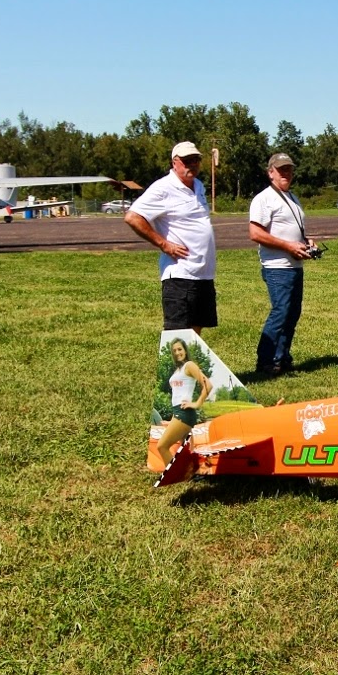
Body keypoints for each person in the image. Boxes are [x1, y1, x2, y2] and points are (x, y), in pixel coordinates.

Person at [124, 141, 217, 334]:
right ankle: (177, 366)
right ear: (175, 162)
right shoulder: (163, 188)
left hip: (203, 272)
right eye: (187, 161)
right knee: (177, 333)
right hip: (180, 274)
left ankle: (190, 365)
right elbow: (132, 217)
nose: (192, 164)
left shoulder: (198, 186)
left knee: (196, 329)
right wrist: (163, 244)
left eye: (196, 160)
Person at [248, 153, 316, 376]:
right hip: (277, 266)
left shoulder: (292, 197)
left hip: (295, 265)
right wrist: (288, 246)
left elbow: (292, 230)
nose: (286, 173)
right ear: (270, 173)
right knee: (281, 312)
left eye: (289, 169)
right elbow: (255, 233)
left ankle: (282, 358)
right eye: (280, 169)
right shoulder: (264, 199)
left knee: (292, 313)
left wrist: (306, 243)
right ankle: (265, 361)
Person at [156, 337, 212, 466]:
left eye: (180, 349)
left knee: (162, 446)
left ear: (185, 350)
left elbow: (207, 385)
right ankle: (193, 472)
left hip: (184, 413)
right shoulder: (178, 370)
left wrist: (196, 404)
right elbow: (177, 396)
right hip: (179, 412)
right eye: (174, 350)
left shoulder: (189, 365)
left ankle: (173, 475)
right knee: (186, 449)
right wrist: (172, 420)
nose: (177, 353)